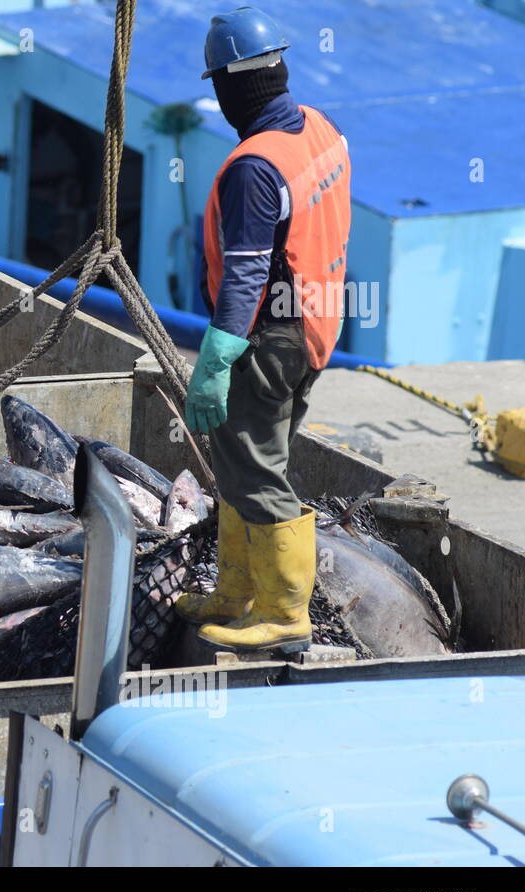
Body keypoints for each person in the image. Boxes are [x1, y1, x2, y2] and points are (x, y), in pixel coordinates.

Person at [177, 6, 352, 652]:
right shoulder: (321, 131)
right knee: (238, 454)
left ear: (231, 87)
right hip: (316, 319)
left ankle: (283, 610)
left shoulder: (255, 166)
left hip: (272, 334)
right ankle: (236, 591)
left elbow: (248, 277)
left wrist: (217, 358)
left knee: (254, 463)